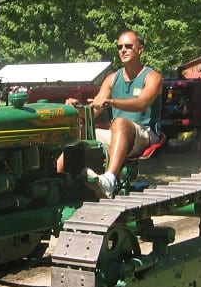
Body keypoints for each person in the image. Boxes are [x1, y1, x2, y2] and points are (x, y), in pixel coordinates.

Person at [66, 29, 162, 199]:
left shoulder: (152, 77)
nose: (123, 50)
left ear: (140, 49)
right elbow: (92, 112)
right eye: (119, 47)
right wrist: (75, 109)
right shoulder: (111, 79)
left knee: (119, 122)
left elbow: (142, 104)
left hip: (145, 133)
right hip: (117, 133)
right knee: (77, 132)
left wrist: (111, 102)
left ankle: (109, 180)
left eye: (128, 46)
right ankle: (61, 181)